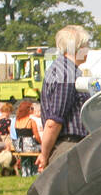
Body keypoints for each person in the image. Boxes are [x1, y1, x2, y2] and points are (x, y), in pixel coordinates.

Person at [37, 25, 92, 173]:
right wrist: (44, 154)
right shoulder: (67, 74)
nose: (88, 50)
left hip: (68, 146)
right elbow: (53, 122)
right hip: (67, 147)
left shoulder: (65, 70)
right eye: (86, 45)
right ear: (77, 47)